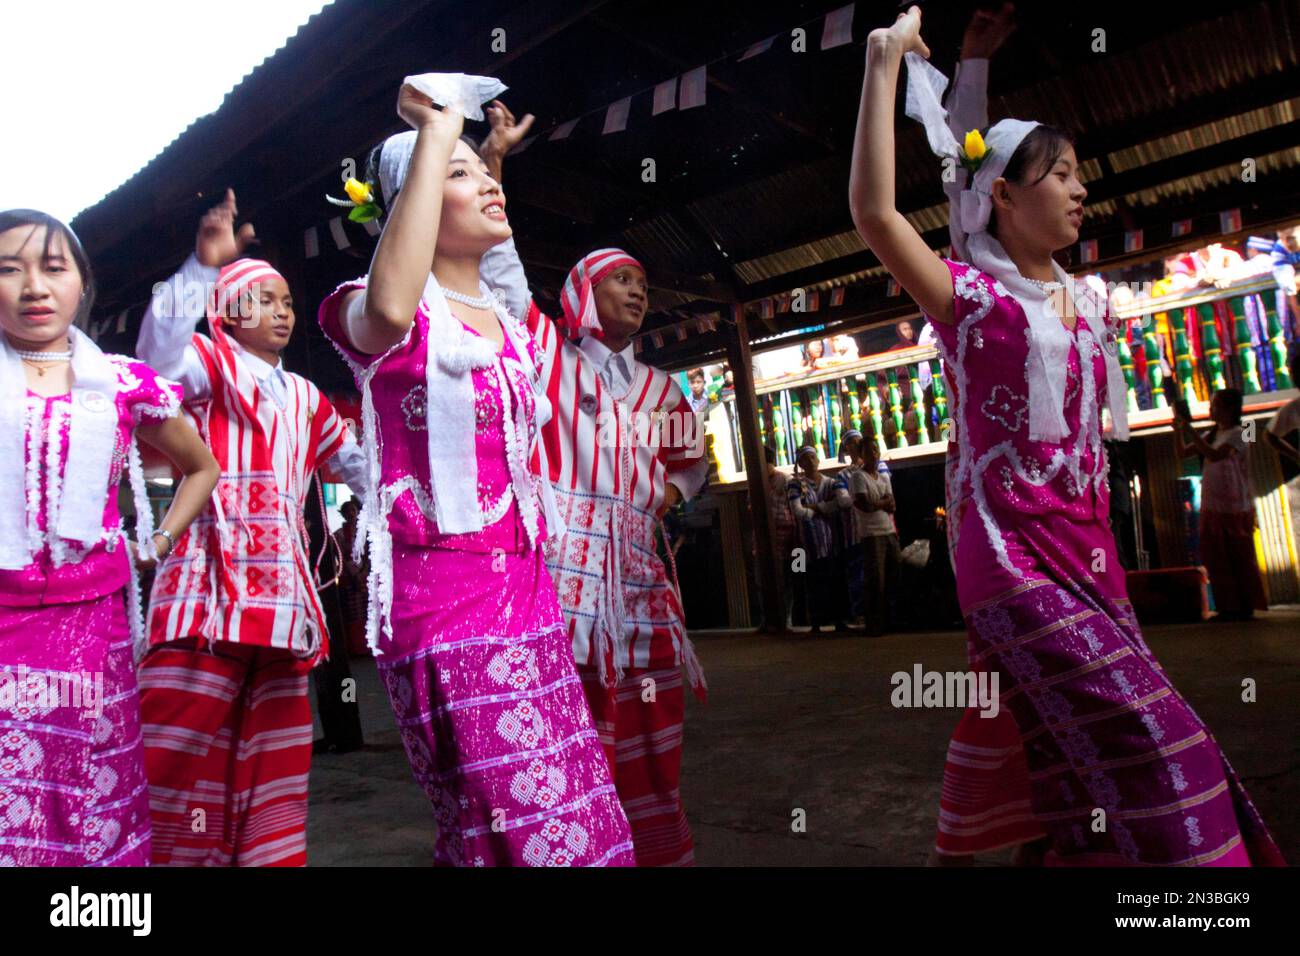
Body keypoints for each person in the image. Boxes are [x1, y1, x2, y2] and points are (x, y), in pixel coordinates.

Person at [850, 6, 1282, 864]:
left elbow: (973, 165)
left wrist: (973, 64)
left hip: (1092, 555)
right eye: (1062, 173)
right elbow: (883, 208)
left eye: (1083, 173)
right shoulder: (969, 301)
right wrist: (885, 64)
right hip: (1009, 563)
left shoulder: (1090, 302)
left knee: (1057, 756)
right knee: (1165, 742)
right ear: (1005, 196)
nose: (1083, 188)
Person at [318, 78, 634, 866]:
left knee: (577, 826)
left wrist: (483, 157)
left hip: (531, 603)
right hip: (442, 607)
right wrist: (435, 135)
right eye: (457, 174)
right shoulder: (372, 310)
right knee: (514, 826)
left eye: (480, 171)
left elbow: (507, 274)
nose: (486, 183)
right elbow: (392, 306)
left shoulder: (512, 329)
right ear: (411, 206)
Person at [479, 99, 710, 866]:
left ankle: (654, 849)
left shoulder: (663, 391)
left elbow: (691, 466)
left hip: (643, 582)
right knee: (578, 722)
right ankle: (585, 849)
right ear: (582, 294)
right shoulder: (548, 358)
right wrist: (494, 167)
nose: (638, 293)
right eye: (621, 281)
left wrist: (658, 504)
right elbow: (503, 279)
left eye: (643, 284)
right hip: (568, 585)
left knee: (652, 726)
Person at [135, 190, 369, 866]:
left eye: (287, 302)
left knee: (277, 761)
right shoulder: (207, 365)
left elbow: (356, 466)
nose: (282, 312)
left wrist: (390, 516)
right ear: (225, 312)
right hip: (205, 596)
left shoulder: (307, 397)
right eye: (263, 299)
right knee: (172, 748)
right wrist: (202, 267)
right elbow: (155, 357)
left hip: (285, 607)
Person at [0, 209, 219, 866]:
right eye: (10, 271)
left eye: (53, 268)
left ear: (81, 284)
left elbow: (202, 466)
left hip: (94, 628)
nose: (34, 286)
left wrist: (156, 545)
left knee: (95, 796)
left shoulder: (123, 382)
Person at [1174, 389, 1267, 622]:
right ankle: (1228, 607)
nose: (1210, 409)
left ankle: (1246, 606)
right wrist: (1178, 431)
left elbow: (1215, 456)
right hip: (1213, 503)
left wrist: (1189, 430)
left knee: (1241, 558)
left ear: (1230, 408)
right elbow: (1183, 453)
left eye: (1215, 405)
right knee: (1217, 557)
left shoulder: (1247, 430)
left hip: (1237, 504)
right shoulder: (1211, 434)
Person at [841, 431, 900, 636]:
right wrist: (882, 503)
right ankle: (874, 623)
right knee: (875, 580)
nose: (873, 454)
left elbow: (891, 505)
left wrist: (881, 503)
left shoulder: (884, 476)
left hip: (888, 530)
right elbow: (865, 505)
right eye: (868, 451)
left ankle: (891, 619)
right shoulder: (857, 476)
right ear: (862, 455)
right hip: (871, 533)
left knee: (893, 574)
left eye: (875, 450)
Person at [786, 446, 847, 634]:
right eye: (806, 459)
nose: (810, 461)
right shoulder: (795, 484)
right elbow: (798, 511)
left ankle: (838, 619)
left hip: (829, 541)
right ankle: (815, 621)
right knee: (810, 581)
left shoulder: (831, 482)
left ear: (818, 460)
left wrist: (814, 507)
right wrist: (824, 508)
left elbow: (842, 503)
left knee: (834, 580)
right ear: (801, 464)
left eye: (813, 457)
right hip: (804, 545)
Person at [334, 495, 369, 656]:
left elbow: (370, 555)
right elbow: (340, 557)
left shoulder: (366, 532)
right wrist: (353, 575)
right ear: (343, 514)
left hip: (366, 576)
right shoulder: (339, 535)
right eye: (347, 511)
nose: (351, 514)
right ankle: (355, 647)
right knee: (353, 613)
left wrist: (363, 574)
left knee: (368, 611)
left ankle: (368, 647)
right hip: (349, 579)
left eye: (353, 510)